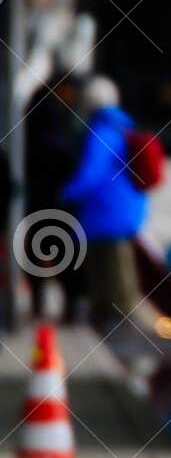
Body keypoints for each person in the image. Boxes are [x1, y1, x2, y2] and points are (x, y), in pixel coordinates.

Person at [58, 76, 147, 332]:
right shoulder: (121, 125)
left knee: (111, 276)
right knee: (118, 273)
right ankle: (118, 324)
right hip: (123, 209)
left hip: (105, 213)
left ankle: (120, 331)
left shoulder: (102, 130)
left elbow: (91, 172)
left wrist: (67, 192)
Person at [22, 72, 88, 321]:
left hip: (43, 194)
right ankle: (69, 306)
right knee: (62, 250)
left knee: (41, 249)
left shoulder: (41, 109)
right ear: (62, 88)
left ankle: (43, 303)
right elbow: (56, 151)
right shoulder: (49, 113)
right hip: (53, 195)